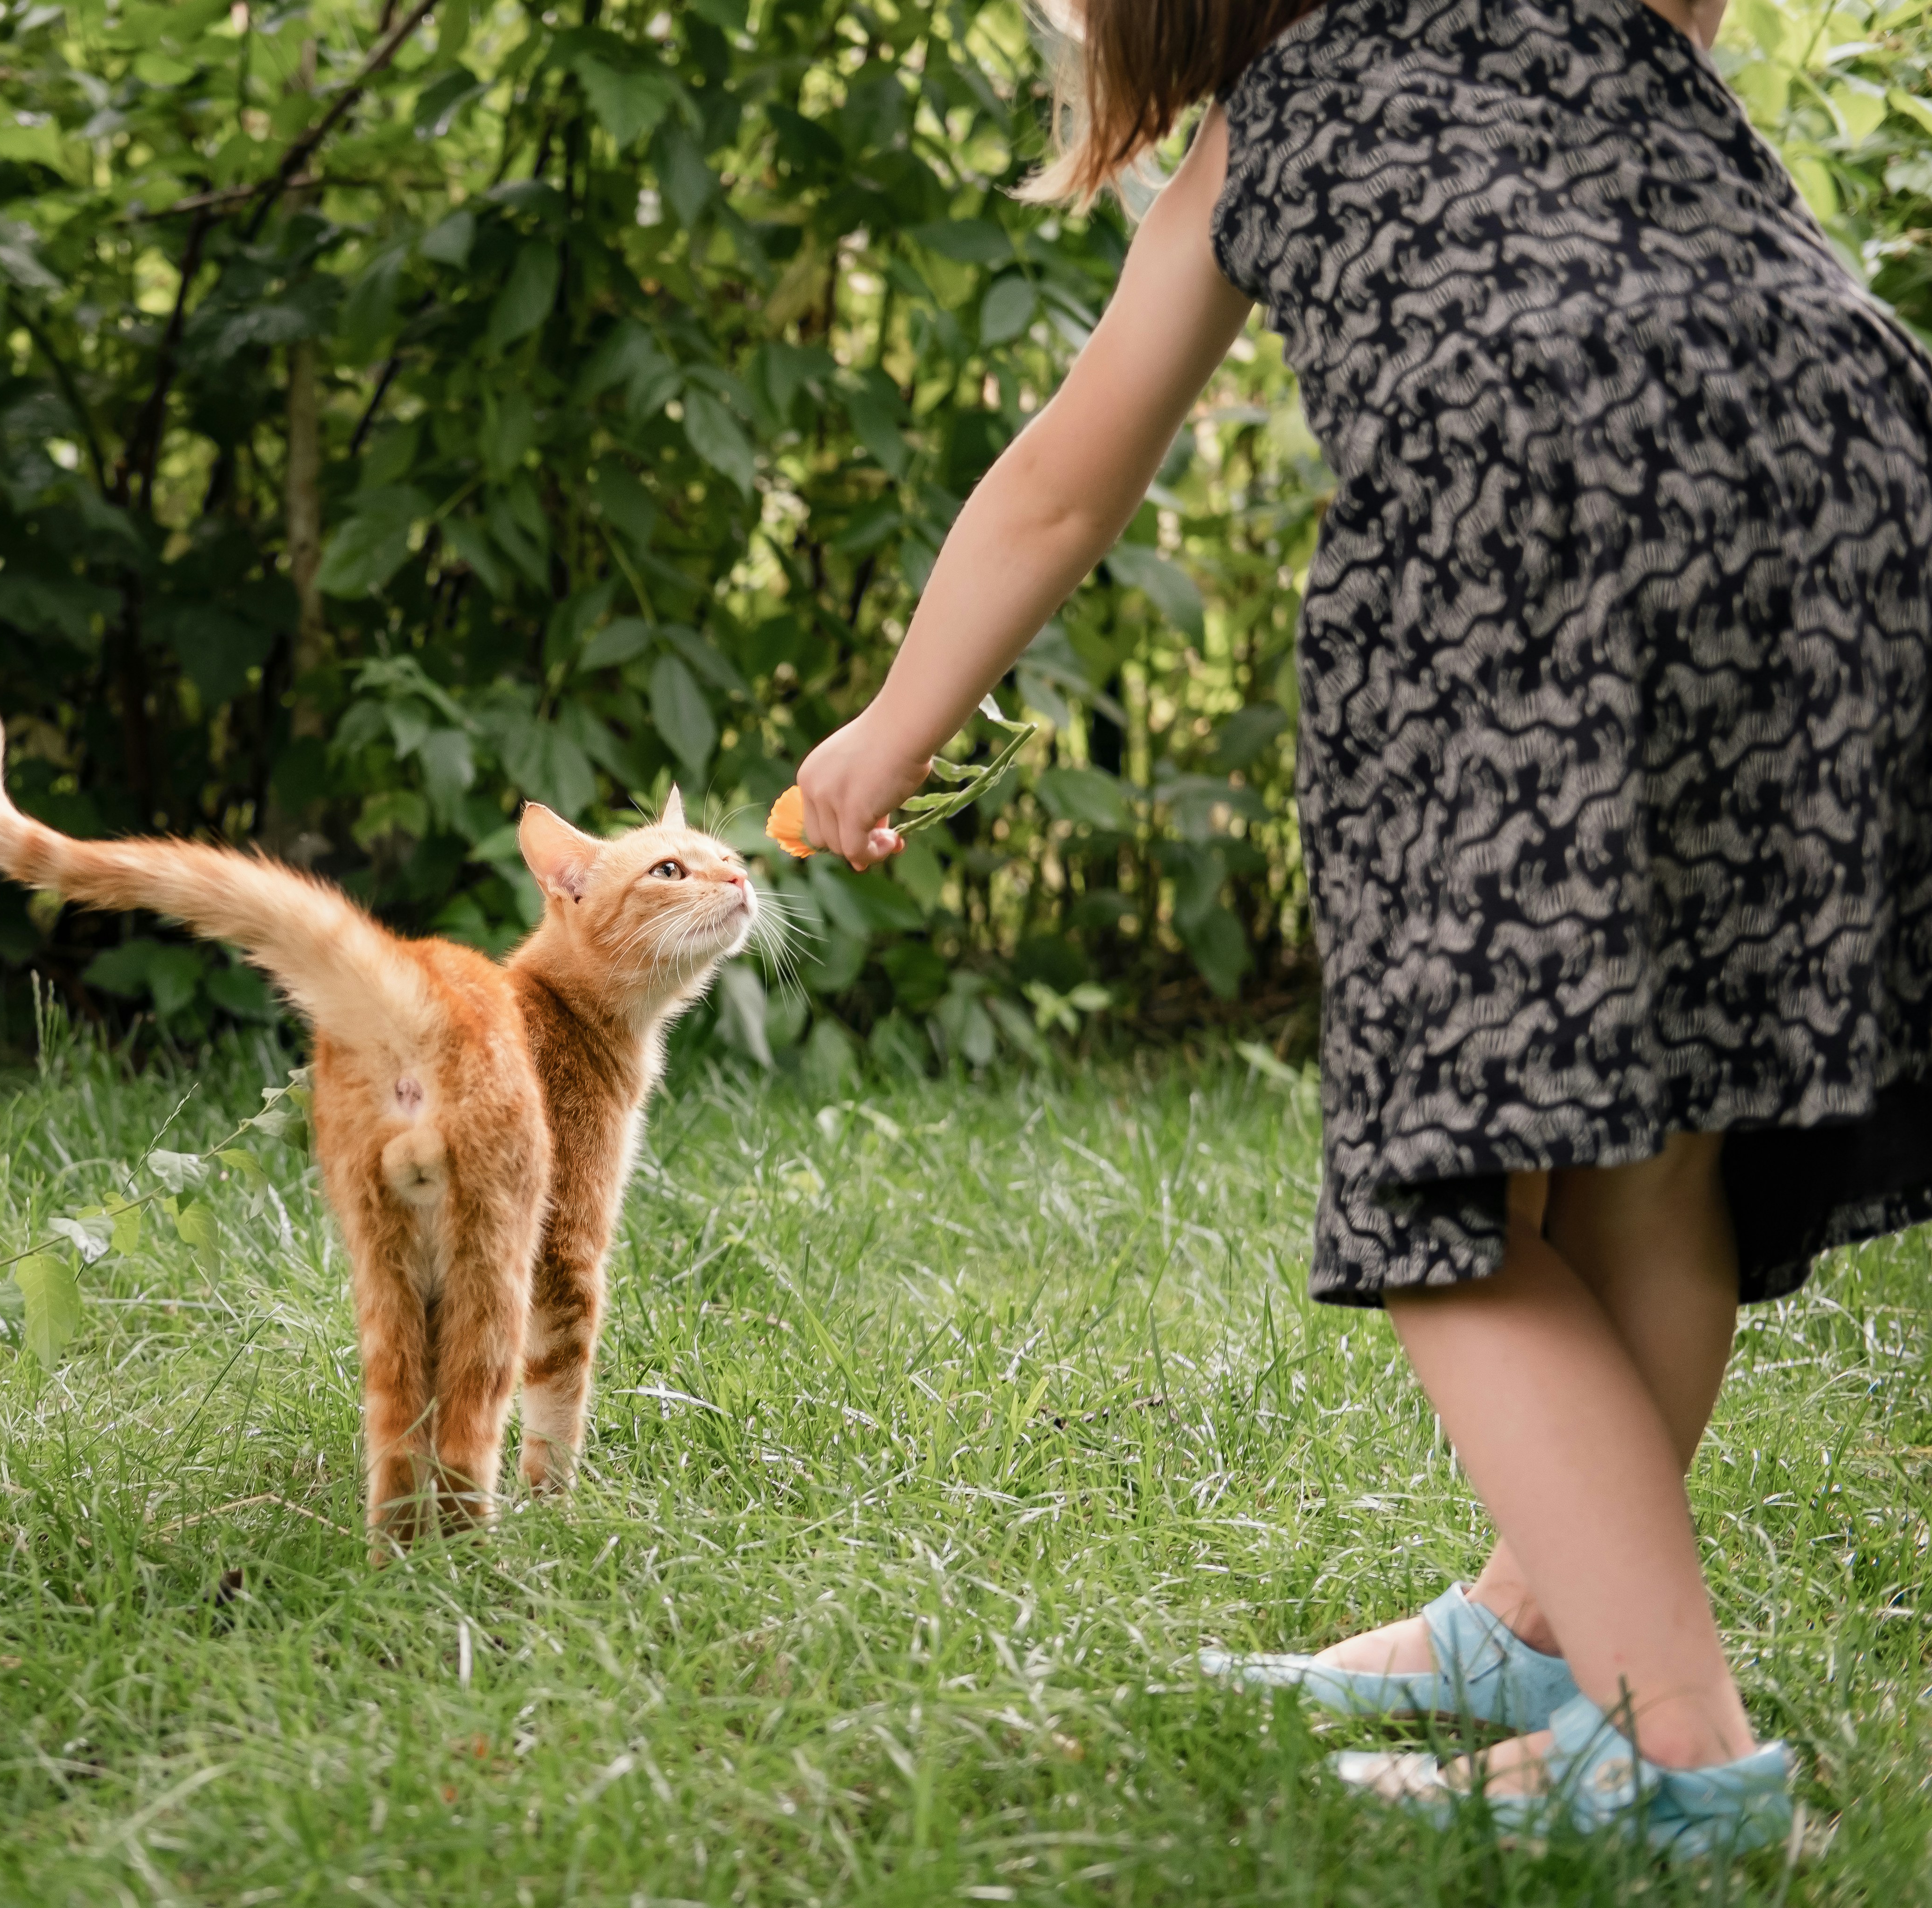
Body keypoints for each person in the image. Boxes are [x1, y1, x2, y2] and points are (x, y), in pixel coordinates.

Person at [791, 0, 1932, 1856]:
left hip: (1534, 507)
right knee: (1654, 1153)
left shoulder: (1281, 108)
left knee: (1450, 1211)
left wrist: (880, 733)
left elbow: (1067, 480)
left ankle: (1677, 1762)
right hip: (1844, 467)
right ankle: (1537, 1639)